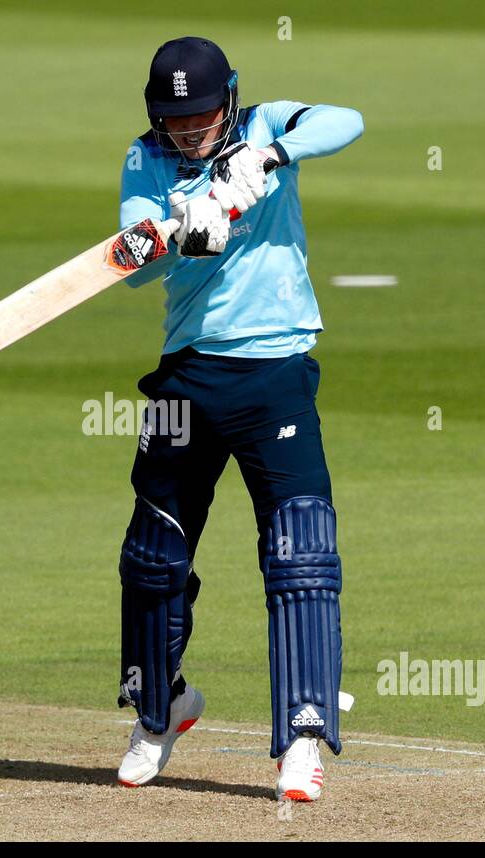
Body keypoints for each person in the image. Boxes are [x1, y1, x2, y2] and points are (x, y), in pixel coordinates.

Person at [115, 36, 364, 802]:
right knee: (154, 555)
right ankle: (162, 710)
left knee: (300, 551)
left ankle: (301, 735)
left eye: (201, 117)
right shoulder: (145, 157)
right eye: (175, 120)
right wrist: (172, 235)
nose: (188, 131)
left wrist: (267, 159)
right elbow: (130, 259)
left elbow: (346, 119)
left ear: (228, 99)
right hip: (189, 375)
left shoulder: (263, 124)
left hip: (276, 374)